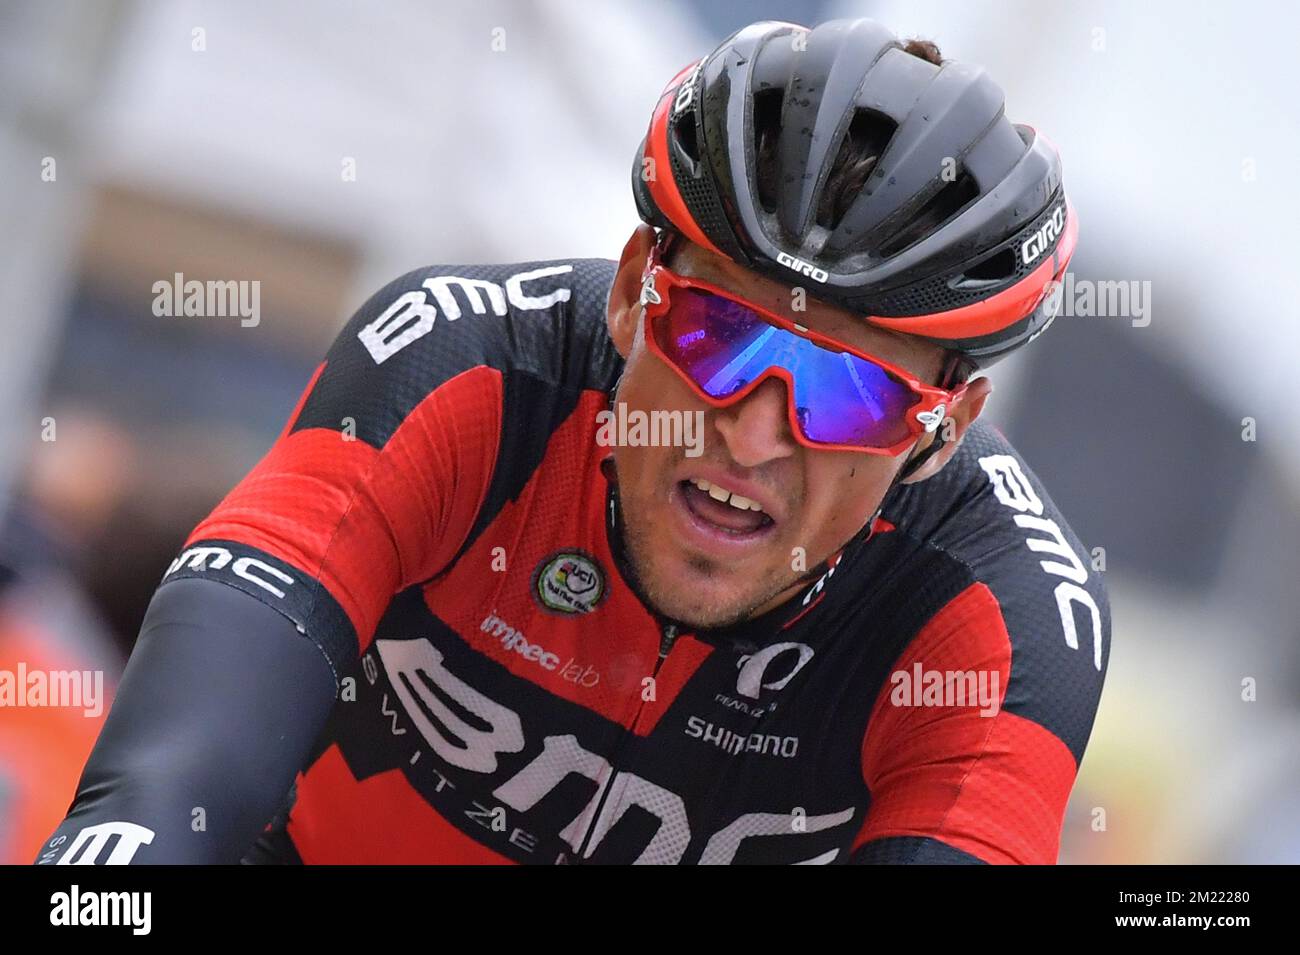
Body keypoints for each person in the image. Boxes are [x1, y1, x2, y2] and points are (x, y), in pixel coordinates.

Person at [37, 18, 1106, 865]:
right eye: (718, 336)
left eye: (848, 394)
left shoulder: (996, 616)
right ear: (639, 290)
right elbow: (162, 798)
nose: (753, 431)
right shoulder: (463, 370)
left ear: (939, 431)